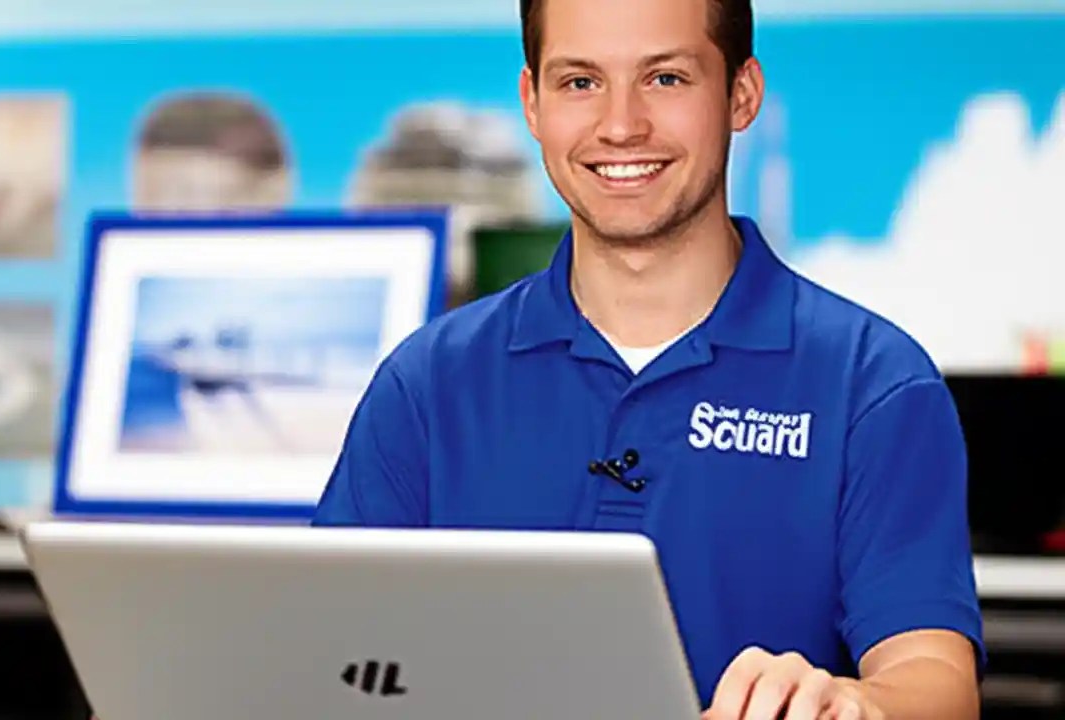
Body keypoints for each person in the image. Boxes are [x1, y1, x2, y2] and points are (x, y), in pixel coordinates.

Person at [312, 0, 985, 717]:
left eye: (665, 78)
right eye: (580, 83)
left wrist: (857, 704)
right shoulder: (426, 384)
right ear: (531, 103)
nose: (621, 124)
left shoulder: (874, 385)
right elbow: (319, 659)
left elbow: (932, 678)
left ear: (741, 95)